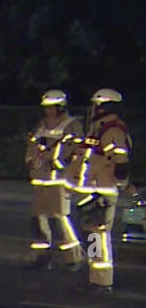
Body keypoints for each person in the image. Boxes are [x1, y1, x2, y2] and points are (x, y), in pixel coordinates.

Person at [66, 88, 132, 289]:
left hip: (101, 191)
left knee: (97, 235)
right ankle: (96, 275)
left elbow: (121, 162)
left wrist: (120, 184)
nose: (92, 109)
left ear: (103, 106)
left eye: (95, 105)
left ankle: (102, 281)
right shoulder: (98, 128)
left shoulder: (113, 129)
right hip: (91, 189)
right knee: (91, 234)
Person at [24, 90, 83, 270]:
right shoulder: (41, 125)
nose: (48, 111)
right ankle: (42, 257)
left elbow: (78, 150)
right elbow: (32, 145)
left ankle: (73, 257)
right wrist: (30, 162)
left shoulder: (72, 125)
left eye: (51, 107)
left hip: (58, 180)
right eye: (46, 108)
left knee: (59, 218)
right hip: (41, 179)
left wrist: (61, 165)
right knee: (38, 218)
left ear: (60, 107)